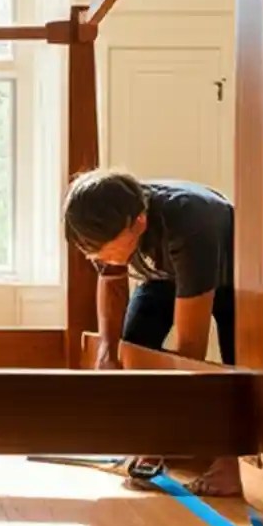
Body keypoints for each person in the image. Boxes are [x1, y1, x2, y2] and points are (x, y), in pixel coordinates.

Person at [62, 169, 242, 497]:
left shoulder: (191, 224)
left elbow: (190, 348)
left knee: (241, 365)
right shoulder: (107, 214)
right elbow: (111, 280)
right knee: (134, 346)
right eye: (92, 253)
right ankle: (149, 437)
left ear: (139, 223)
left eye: (105, 252)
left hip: (235, 276)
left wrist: (163, 432)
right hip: (165, 273)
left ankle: (231, 463)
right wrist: (107, 350)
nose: (97, 259)